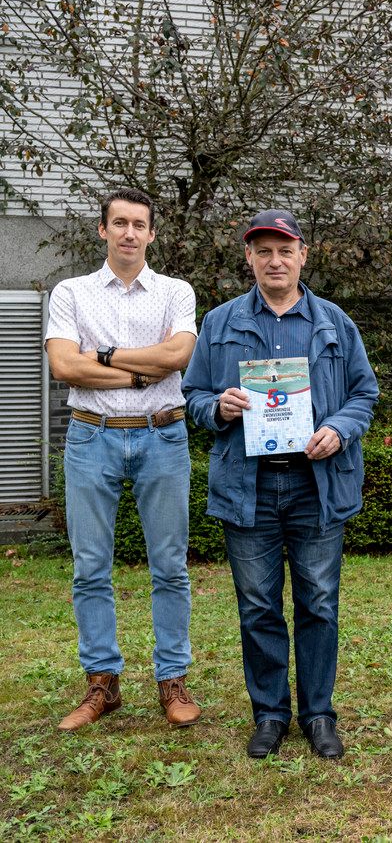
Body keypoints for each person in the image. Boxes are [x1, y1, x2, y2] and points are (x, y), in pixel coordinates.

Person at [182, 209, 379, 759]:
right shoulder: (220, 323)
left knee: (319, 602)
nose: (275, 260)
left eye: (284, 250)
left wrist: (338, 430)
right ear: (249, 257)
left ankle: (318, 714)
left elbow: (365, 394)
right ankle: (269, 713)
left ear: (302, 256)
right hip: (248, 488)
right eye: (263, 251)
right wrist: (217, 407)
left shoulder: (334, 323)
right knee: (258, 606)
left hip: (315, 486)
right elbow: (191, 395)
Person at [44, 188, 201, 732]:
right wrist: (141, 372)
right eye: (120, 223)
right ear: (103, 230)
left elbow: (178, 356)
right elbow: (64, 366)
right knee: (91, 567)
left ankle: (172, 681)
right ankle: (102, 684)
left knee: (170, 567)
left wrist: (104, 357)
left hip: (163, 437)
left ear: (152, 234)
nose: (129, 233)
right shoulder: (71, 292)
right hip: (92, 438)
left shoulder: (176, 291)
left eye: (139, 224)